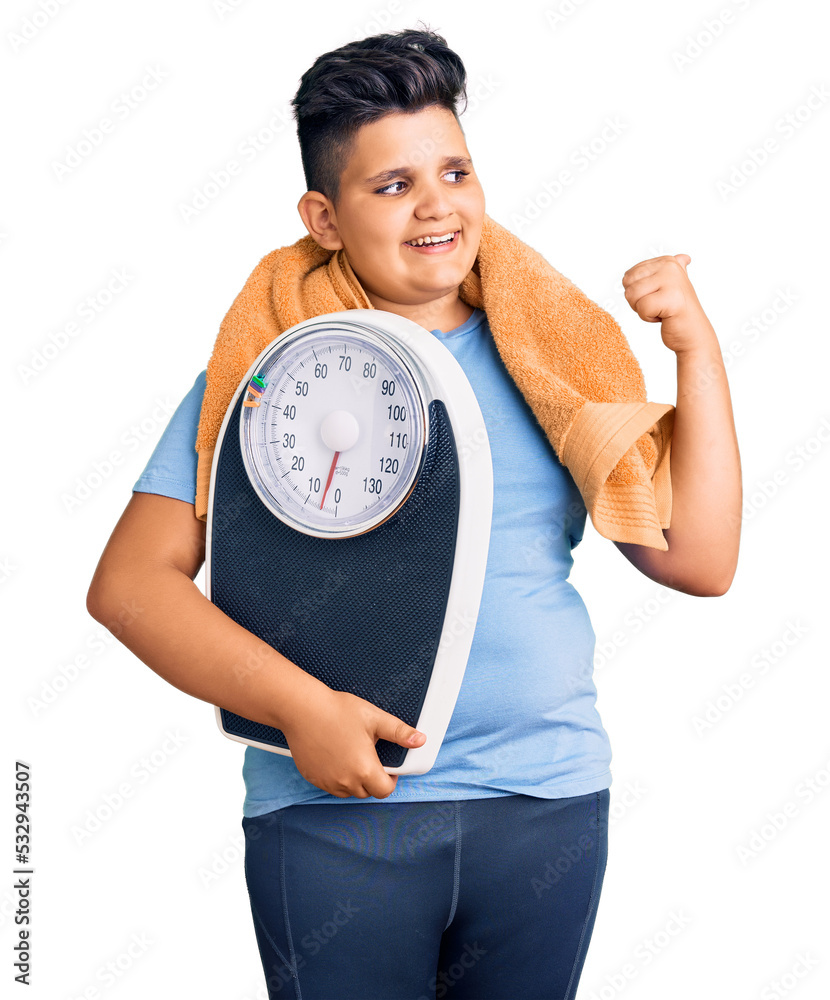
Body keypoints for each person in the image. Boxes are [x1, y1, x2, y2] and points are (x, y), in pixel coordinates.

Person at [86, 25, 742, 1000]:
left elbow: (699, 560)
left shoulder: (553, 362)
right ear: (324, 218)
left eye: (455, 172)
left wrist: (696, 349)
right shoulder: (271, 377)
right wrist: (300, 709)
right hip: (334, 817)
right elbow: (130, 586)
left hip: (547, 804)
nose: (436, 204)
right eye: (393, 185)